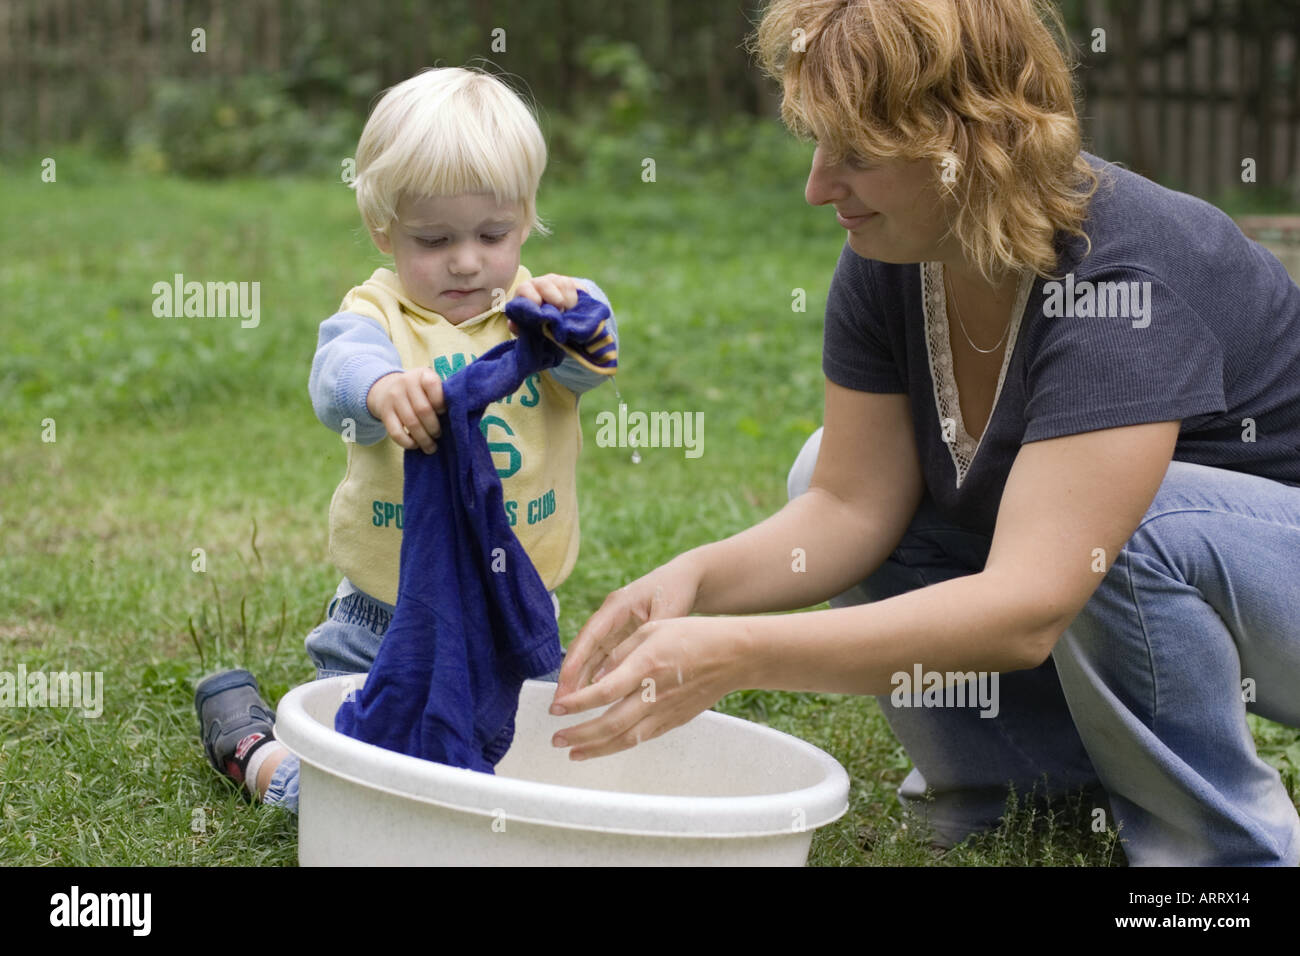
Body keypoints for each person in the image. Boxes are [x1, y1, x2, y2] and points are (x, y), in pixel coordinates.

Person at [548, 0, 1300, 866]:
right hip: (1183, 584)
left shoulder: (1124, 277)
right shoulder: (898, 249)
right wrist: (693, 581)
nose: (818, 187)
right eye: (819, 145)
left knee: (1129, 537)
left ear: (969, 138)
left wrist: (739, 652)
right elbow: (848, 505)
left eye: (858, 155)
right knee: (812, 470)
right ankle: (1021, 795)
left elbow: (1029, 606)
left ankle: (1218, 860)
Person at [194, 66, 618, 812]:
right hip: (383, 617)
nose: (464, 259)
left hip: (514, 615)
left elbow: (592, 361)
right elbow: (338, 374)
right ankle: (260, 756)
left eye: (493, 234)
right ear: (383, 230)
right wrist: (383, 388)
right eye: (434, 239)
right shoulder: (377, 314)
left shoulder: (532, 315)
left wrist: (578, 314)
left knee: (522, 792)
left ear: (527, 219)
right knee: (359, 793)